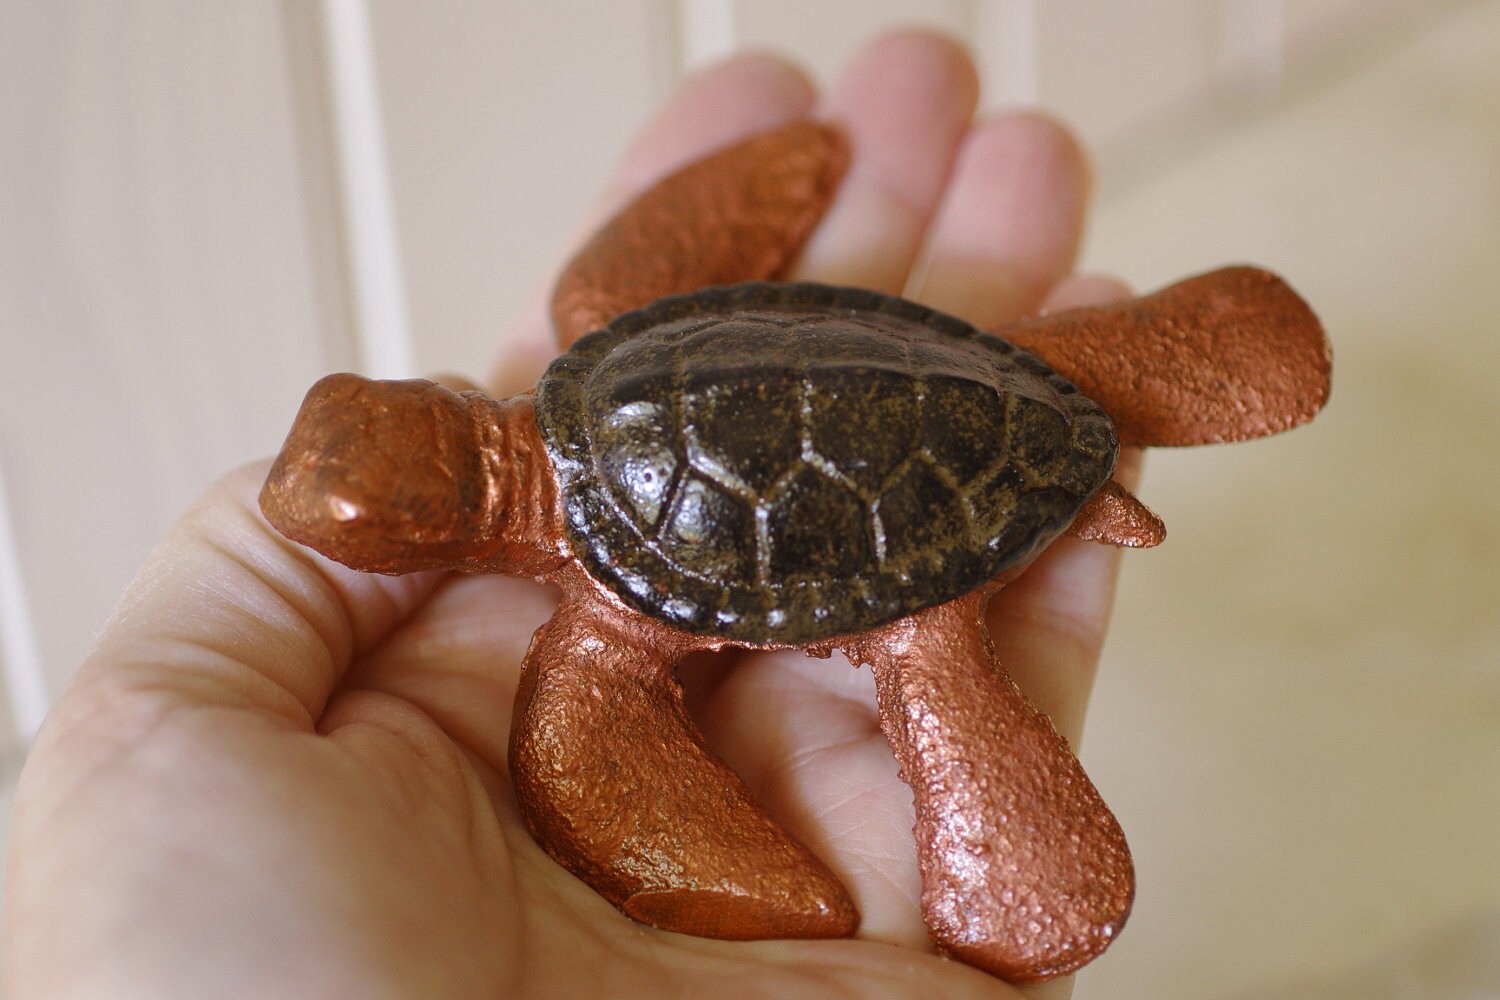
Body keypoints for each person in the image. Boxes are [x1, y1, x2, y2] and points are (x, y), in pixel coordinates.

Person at [3, 30, 1139, 1000]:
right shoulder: (600, 328)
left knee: (920, 657)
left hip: (903, 497)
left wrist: (769, 896)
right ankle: (1028, 876)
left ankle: (1023, 874)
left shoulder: (589, 655)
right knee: (928, 655)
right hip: (902, 391)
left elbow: (594, 761)